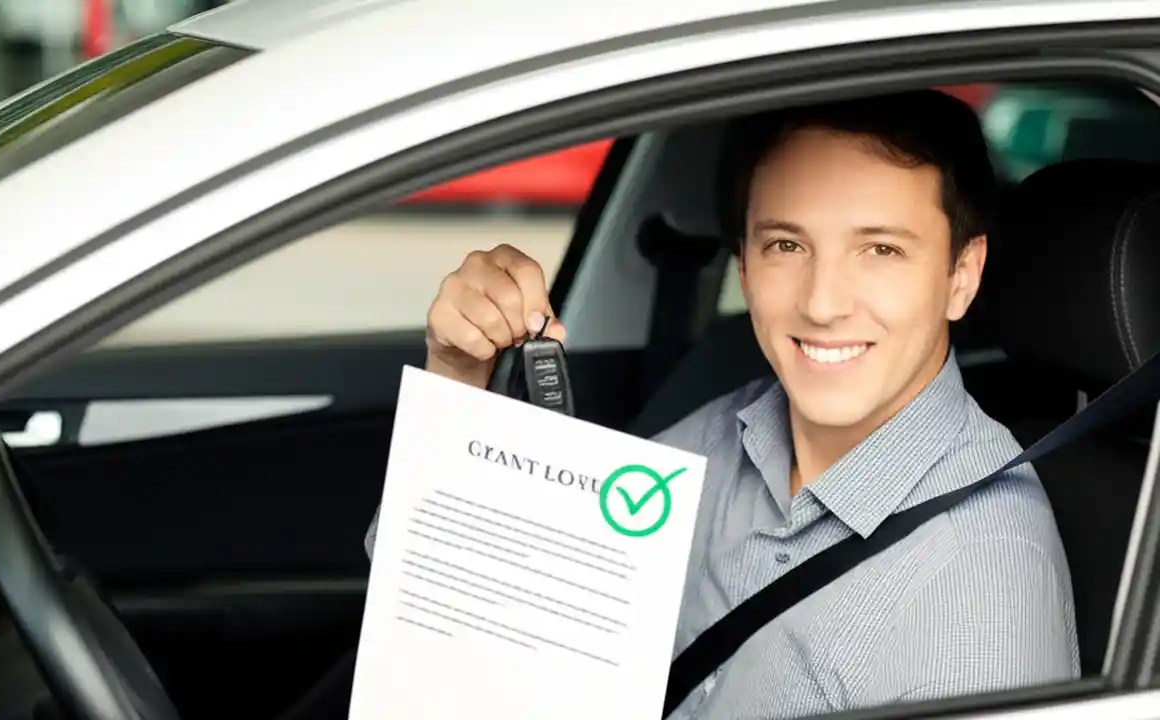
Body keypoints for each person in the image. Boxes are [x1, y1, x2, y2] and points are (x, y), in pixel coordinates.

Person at [365, 90, 1078, 718]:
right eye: (787, 245)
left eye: (881, 251)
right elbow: (475, 598)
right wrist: (459, 375)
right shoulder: (726, 434)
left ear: (961, 276)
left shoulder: (979, 575)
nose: (823, 303)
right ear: (744, 265)